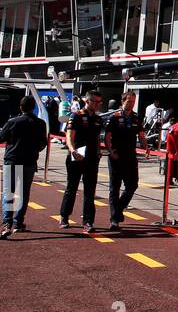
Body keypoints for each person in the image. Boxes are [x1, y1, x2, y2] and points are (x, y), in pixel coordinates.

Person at [0, 97, 48, 240]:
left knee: (9, 192)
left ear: (21, 107)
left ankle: (7, 223)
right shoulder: (40, 123)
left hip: (12, 159)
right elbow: (43, 142)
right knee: (24, 193)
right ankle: (19, 221)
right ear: (33, 107)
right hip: (30, 161)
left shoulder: (13, 122)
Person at [60, 89, 104, 233]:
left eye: (99, 102)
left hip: (92, 158)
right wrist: (72, 150)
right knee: (71, 188)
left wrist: (98, 151)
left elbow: (97, 138)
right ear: (87, 101)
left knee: (90, 192)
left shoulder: (98, 119)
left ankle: (88, 221)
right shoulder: (77, 116)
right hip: (77, 154)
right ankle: (64, 216)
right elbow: (69, 136)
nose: (97, 105)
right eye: (95, 102)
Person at [105, 91, 142, 230]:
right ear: (122, 101)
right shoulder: (114, 117)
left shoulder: (137, 117)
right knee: (114, 187)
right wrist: (110, 151)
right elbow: (107, 136)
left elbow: (141, 134)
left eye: (133, 101)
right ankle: (114, 219)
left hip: (130, 156)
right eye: (129, 101)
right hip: (116, 155)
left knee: (132, 185)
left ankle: (119, 208)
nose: (131, 104)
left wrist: (146, 146)